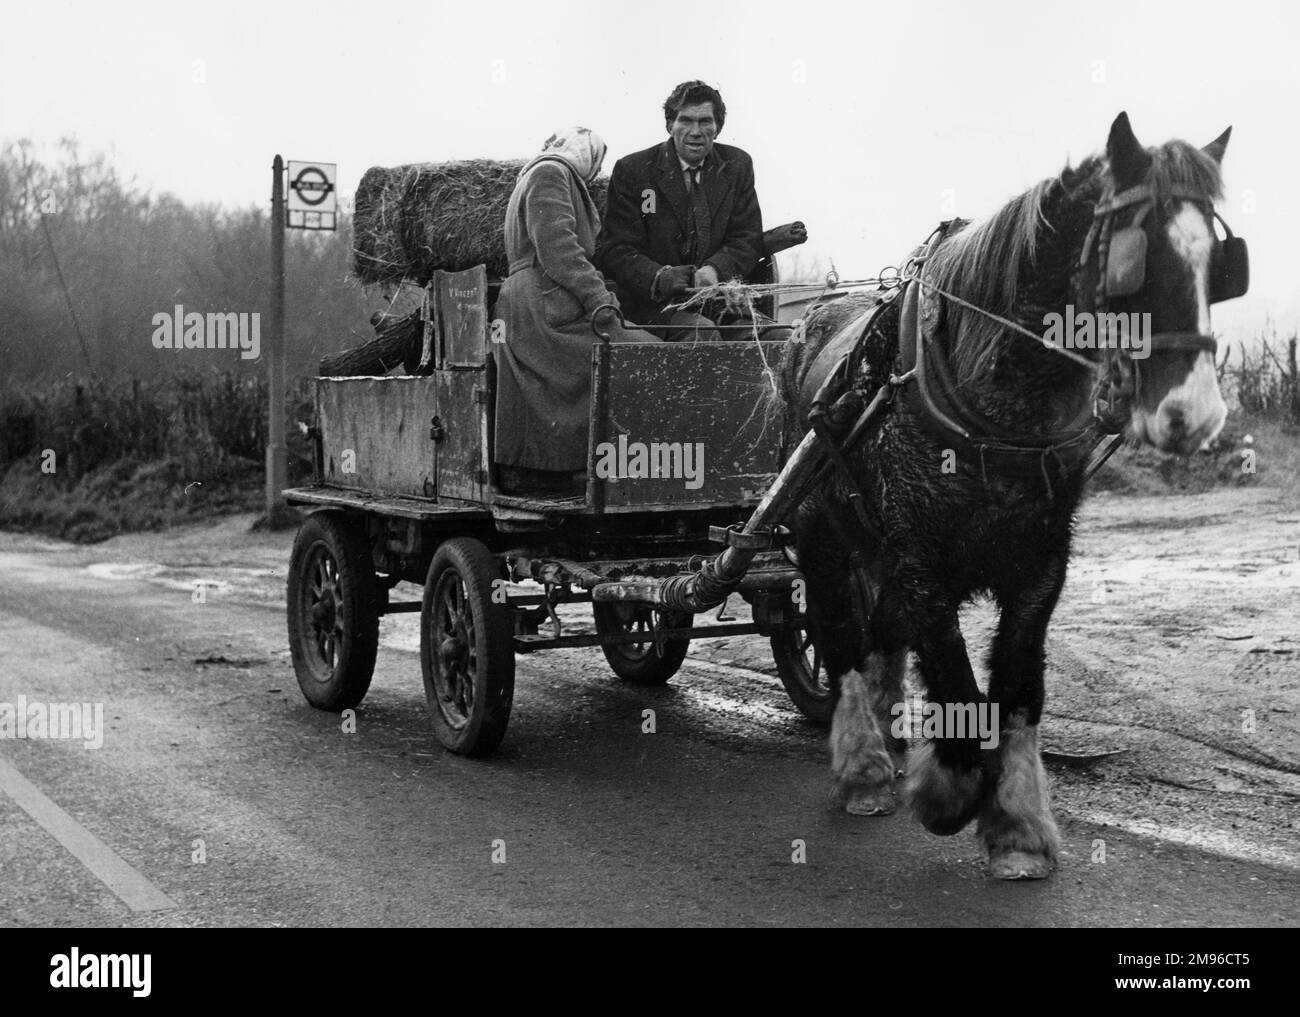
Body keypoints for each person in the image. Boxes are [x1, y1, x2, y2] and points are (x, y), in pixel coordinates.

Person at [492, 127, 656, 495]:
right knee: (644, 355)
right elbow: (560, 250)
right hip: (547, 299)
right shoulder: (551, 173)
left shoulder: (540, 172)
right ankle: (622, 466)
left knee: (553, 386)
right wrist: (600, 300)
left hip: (539, 297)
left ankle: (572, 469)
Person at [596, 80, 772, 341]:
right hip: (651, 306)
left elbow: (746, 238)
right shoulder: (634, 171)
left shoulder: (737, 165)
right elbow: (616, 248)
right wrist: (660, 277)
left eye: (705, 122)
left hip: (719, 302)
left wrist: (714, 270)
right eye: (686, 121)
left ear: (718, 127)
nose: (696, 131)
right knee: (701, 335)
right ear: (670, 125)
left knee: (777, 337)